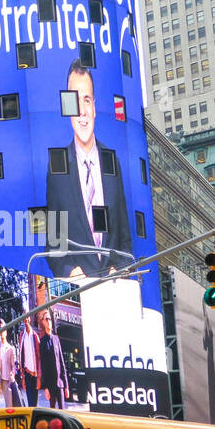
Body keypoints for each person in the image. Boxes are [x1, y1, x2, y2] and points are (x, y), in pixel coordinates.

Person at [44, 57, 133, 281]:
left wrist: (119, 268)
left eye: (86, 100)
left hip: (114, 291)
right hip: (80, 296)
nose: (82, 111)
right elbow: (54, 244)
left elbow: (124, 240)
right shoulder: (57, 168)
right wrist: (71, 272)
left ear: (94, 107)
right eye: (74, 101)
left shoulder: (112, 162)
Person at [37, 311, 69, 409]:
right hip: (50, 385)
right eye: (46, 319)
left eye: (49, 319)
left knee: (63, 411)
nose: (49, 321)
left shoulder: (56, 339)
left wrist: (66, 385)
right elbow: (43, 366)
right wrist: (45, 387)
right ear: (43, 322)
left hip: (59, 383)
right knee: (53, 413)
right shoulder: (41, 342)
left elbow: (61, 362)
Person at [17, 315, 40, 409]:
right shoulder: (22, 336)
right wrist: (22, 377)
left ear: (30, 319)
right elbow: (21, 357)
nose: (26, 319)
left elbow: (39, 358)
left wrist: (39, 377)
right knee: (30, 404)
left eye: (27, 317)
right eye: (24, 317)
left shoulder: (35, 336)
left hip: (35, 374)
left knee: (34, 403)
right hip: (27, 374)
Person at [0, 326, 22, 408]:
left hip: (9, 380)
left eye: (3, 330)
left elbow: (14, 365)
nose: (2, 333)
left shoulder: (11, 348)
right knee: (7, 403)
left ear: (6, 333)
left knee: (10, 404)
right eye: (0, 330)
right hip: (3, 380)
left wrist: (13, 374)